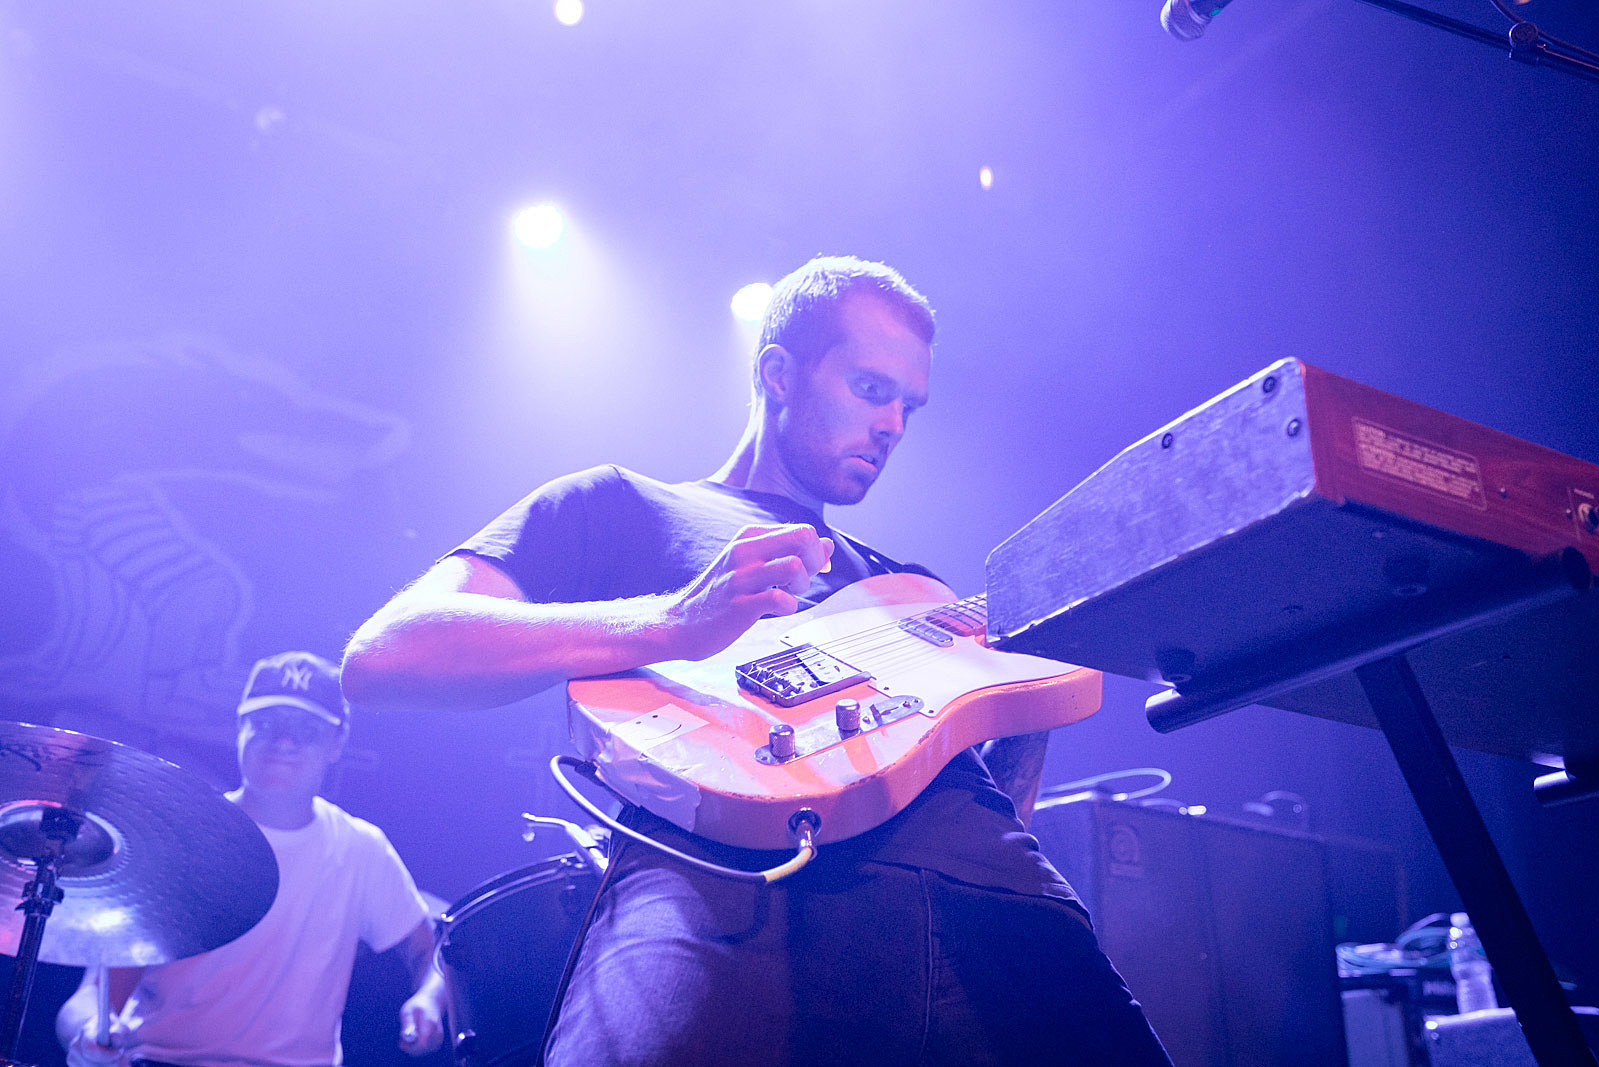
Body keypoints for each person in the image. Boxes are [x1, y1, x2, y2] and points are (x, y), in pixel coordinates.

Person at [342, 256, 1170, 1066]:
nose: (892, 426)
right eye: (872, 389)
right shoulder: (619, 503)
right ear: (780, 372)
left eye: (909, 407)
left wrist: (1027, 696)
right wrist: (671, 619)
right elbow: (386, 654)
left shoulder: (908, 587)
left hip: (987, 893)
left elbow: (990, 798)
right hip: (716, 887)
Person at [57, 650, 446, 1067]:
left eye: (305, 729)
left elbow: (431, 955)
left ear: (337, 744)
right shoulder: (179, 836)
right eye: (266, 724)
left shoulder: (360, 849)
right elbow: (90, 998)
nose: (283, 741)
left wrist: (429, 999)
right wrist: (88, 1034)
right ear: (239, 728)